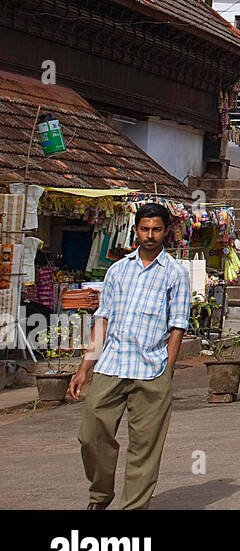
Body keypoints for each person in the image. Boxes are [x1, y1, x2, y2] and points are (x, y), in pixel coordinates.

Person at [71, 202, 190, 510]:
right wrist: (85, 367)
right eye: (145, 229)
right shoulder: (117, 271)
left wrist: (169, 368)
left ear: (166, 231)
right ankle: (100, 496)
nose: (150, 235)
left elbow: (178, 325)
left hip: (152, 370)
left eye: (157, 229)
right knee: (91, 436)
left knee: (145, 447)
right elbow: (103, 321)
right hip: (111, 365)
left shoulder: (175, 274)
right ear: (135, 229)